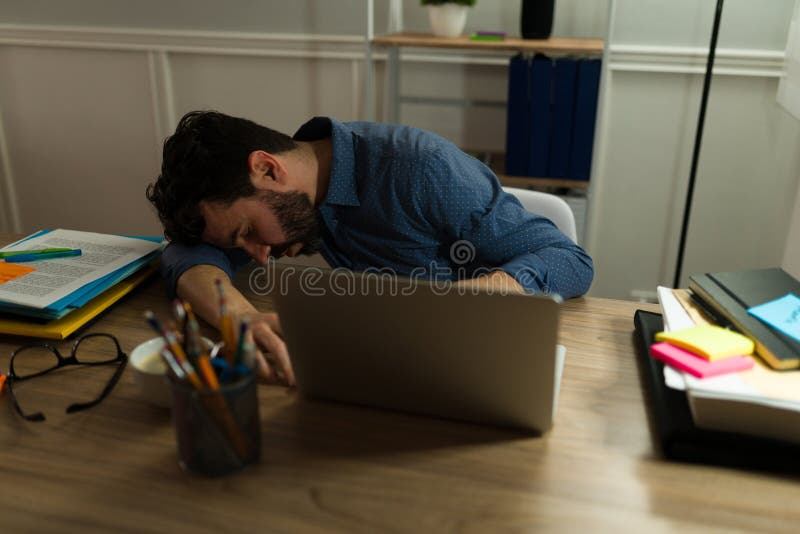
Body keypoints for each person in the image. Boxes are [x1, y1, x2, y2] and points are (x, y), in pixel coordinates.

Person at [147, 111, 594, 386]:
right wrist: (240, 317)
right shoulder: (291, 198)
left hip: (488, 366)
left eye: (247, 230)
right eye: (241, 242)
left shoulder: (422, 170)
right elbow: (183, 256)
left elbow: (569, 259)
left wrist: (486, 292)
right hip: (397, 368)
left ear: (267, 168)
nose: (258, 255)